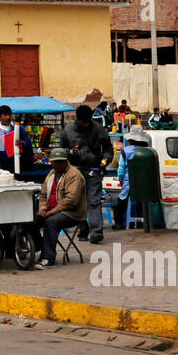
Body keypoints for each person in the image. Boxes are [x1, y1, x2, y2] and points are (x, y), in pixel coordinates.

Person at [59, 103, 114, 244]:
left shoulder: (98, 129)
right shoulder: (68, 130)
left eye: (87, 121)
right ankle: (83, 230)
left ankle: (96, 231)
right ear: (77, 119)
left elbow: (108, 148)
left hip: (94, 170)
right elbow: (60, 151)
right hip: (74, 171)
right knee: (77, 201)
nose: (85, 124)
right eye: (83, 122)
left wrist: (106, 159)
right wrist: (70, 152)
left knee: (94, 201)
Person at [37, 148, 88, 267]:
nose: (57, 164)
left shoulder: (74, 175)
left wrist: (52, 212)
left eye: (60, 161)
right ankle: (38, 246)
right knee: (32, 220)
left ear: (66, 161)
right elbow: (43, 195)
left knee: (51, 222)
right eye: (55, 162)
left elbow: (71, 201)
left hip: (72, 213)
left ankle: (48, 257)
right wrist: (43, 208)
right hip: (52, 210)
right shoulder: (51, 174)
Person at [115, 128, 150, 228]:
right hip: (146, 183)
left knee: (122, 200)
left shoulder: (125, 151)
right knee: (141, 201)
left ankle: (118, 223)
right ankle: (142, 222)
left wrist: (122, 181)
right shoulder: (148, 150)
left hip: (129, 182)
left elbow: (121, 171)